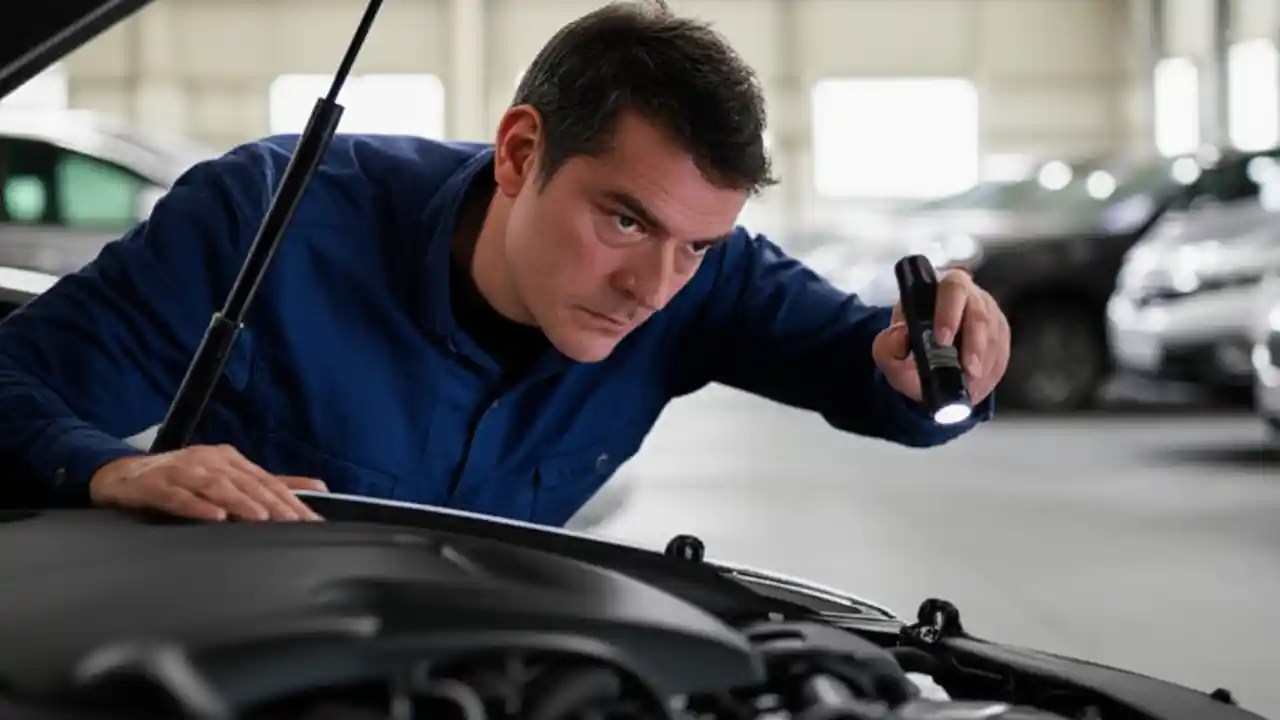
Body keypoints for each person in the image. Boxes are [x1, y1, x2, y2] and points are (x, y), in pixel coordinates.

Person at [0, 0, 1009, 527]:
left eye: (694, 245)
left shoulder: (702, 276)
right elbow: (11, 384)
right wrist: (110, 468)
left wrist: (931, 364)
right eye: (622, 221)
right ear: (521, 152)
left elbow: (882, 378)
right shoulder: (268, 218)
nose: (652, 290)